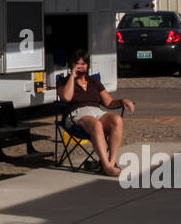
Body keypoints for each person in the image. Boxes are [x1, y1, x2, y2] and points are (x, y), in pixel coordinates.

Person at [58, 49, 135, 177]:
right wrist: (72, 76)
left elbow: (109, 102)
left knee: (117, 120)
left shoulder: (94, 82)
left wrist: (122, 101)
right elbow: (66, 98)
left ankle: (110, 162)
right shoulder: (64, 81)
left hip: (96, 112)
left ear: (87, 65)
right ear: (71, 65)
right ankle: (107, 166)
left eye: (83, 63)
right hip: (76, 114)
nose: (81, 66)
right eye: (77, 63)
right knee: (96, 125)